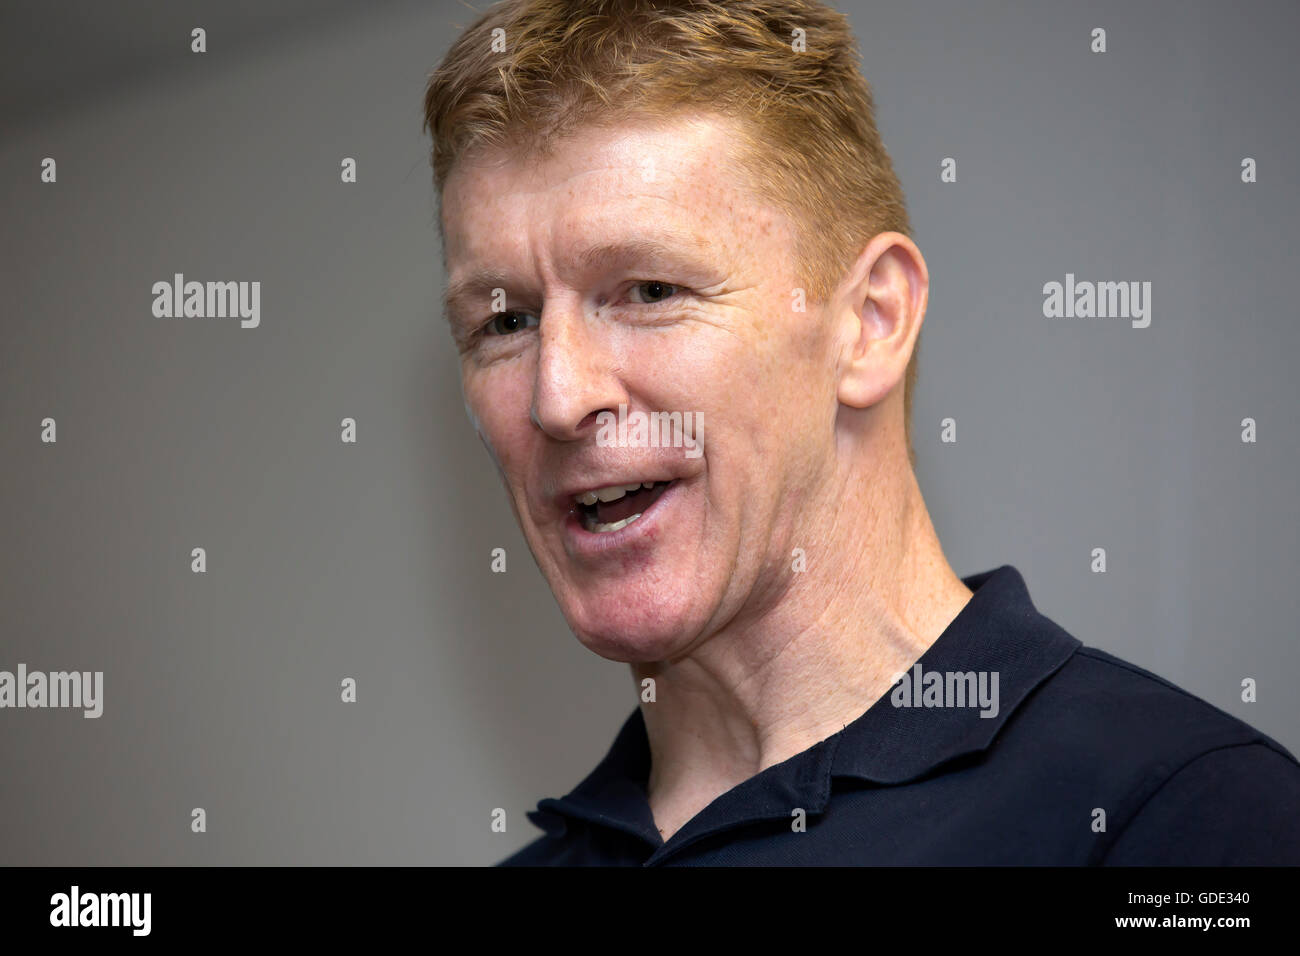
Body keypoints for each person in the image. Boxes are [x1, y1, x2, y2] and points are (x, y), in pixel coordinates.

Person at [422, 0, 1300, 865]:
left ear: (870, 323)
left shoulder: (1187, 820)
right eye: (505, 323)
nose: (557, 396)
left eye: (650, 292)